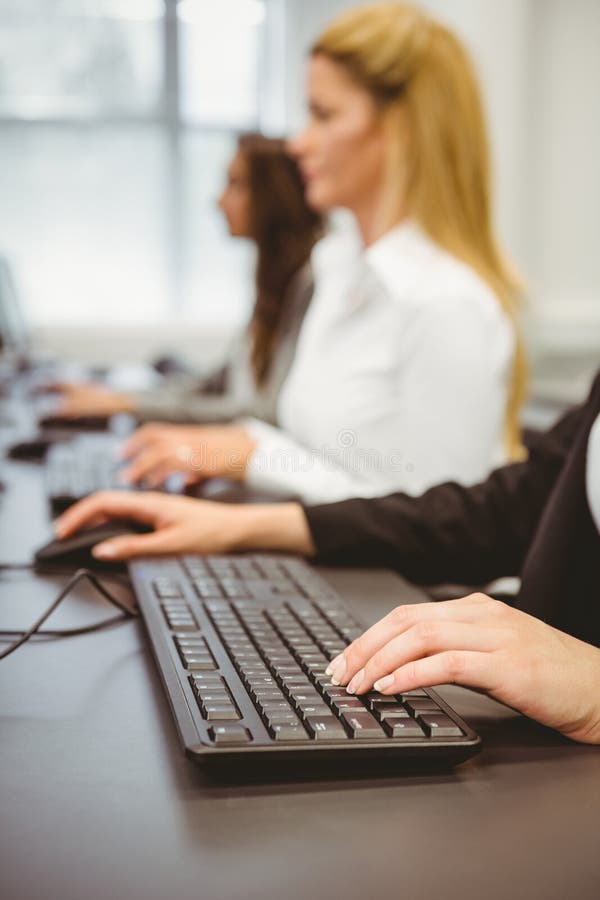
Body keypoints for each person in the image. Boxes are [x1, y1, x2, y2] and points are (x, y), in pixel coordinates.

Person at [75, 1, 525, 503]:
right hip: (327, 565)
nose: (299, 144)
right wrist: (223, 454)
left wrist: (252, 457)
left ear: (402, 130)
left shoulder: (447, 302)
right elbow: (317, 455)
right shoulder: (334, 269)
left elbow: (441, 527)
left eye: (324, 115)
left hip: (409, 583)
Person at [54, 369, 600, 744]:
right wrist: (248, 526)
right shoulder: (338, 274)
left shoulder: (441, 296)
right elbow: (507, 509)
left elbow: (393, 470)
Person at [51, 134, 323, 428]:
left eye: (235, 184)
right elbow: (212, 385)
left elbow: (264, 412)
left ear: (273, 196)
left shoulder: (310, 285)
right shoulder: (272, 288)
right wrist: (119, 399)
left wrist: (128, 405)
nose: (219, 201)